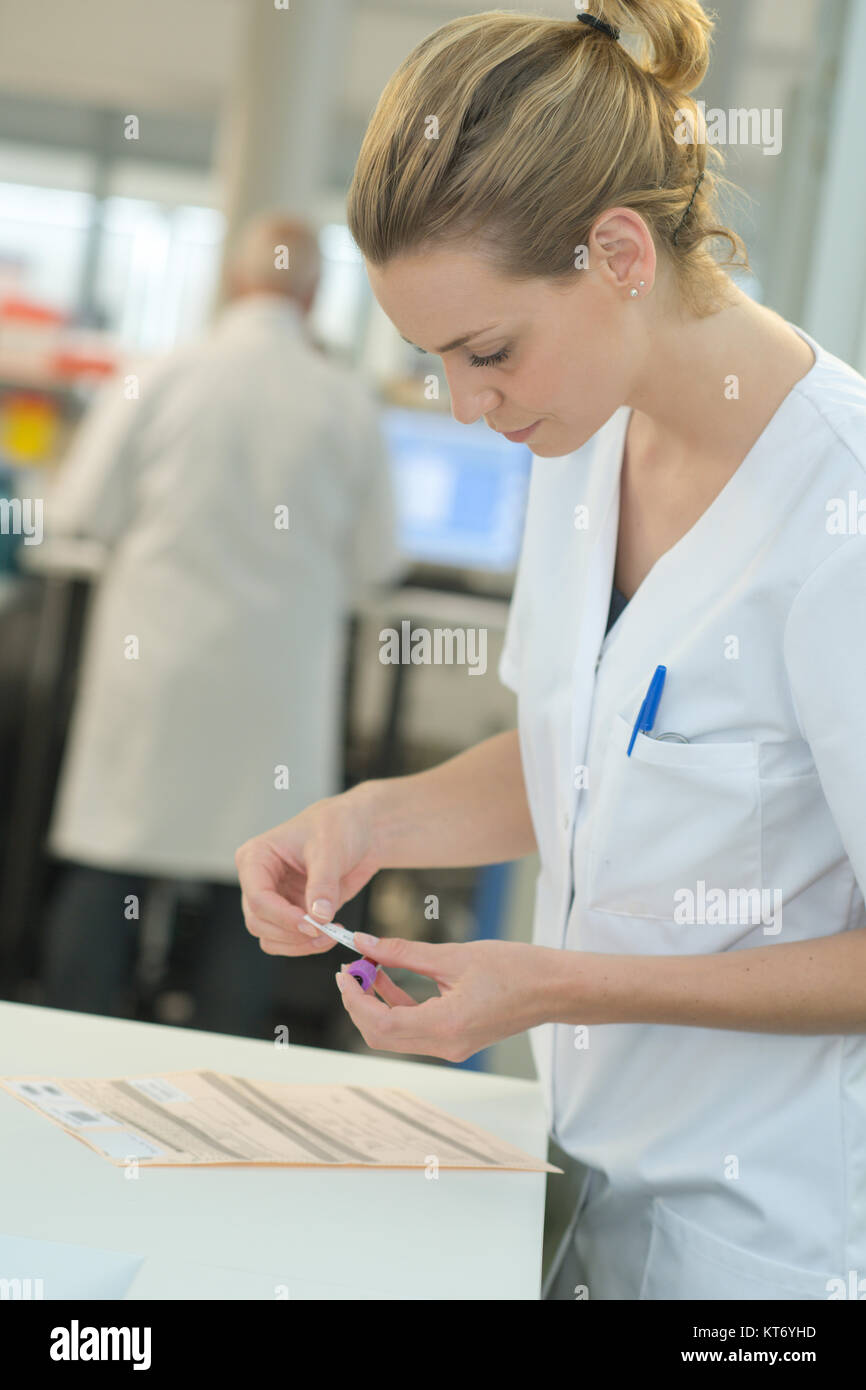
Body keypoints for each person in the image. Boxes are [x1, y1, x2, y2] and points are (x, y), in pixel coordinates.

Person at [234, 3, 866, 1299]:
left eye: (488, 351)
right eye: (434, 362)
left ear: (620, 252)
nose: (469, 405)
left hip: (774, 1250)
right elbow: (581, 750)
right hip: (579, 1186)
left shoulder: (837, 512)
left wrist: (555, 983)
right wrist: (370, 820)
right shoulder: (579, 440)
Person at [41, 211, 403, 1036]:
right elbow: (378, 563)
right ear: (313, 295)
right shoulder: (344, 400)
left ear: (232, 282)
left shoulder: (162, 374)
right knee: (261, 897)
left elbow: (79, 513)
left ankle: (55, 1076)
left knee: (109, 868)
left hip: (154, 680)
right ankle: (227, 1100)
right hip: (272, 696)